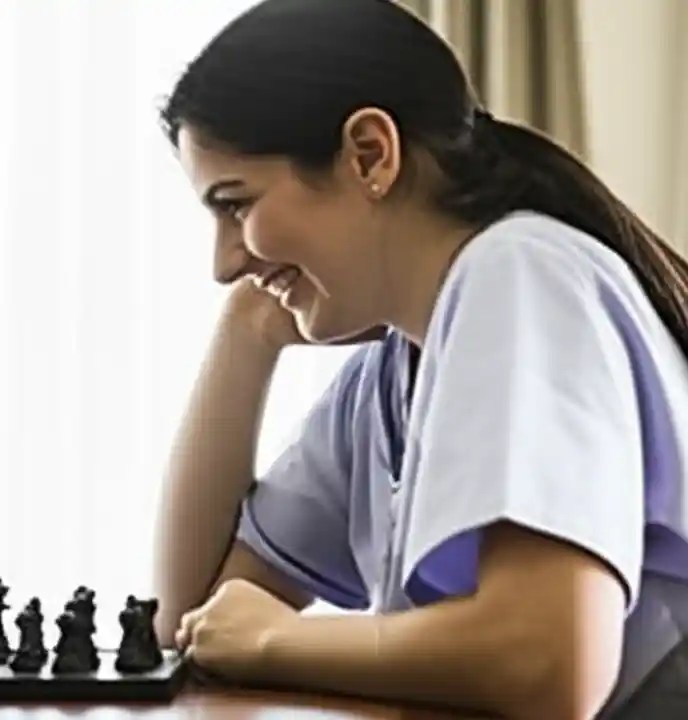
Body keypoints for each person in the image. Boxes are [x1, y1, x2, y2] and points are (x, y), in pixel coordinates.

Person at [152, 1, 688, 718]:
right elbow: (194, 623)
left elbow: (552, 662)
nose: (223, 264)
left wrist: (278, 640)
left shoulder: (518, 271)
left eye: (237, 205)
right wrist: (245, 335)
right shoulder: (388, 377)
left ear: (370, 154)